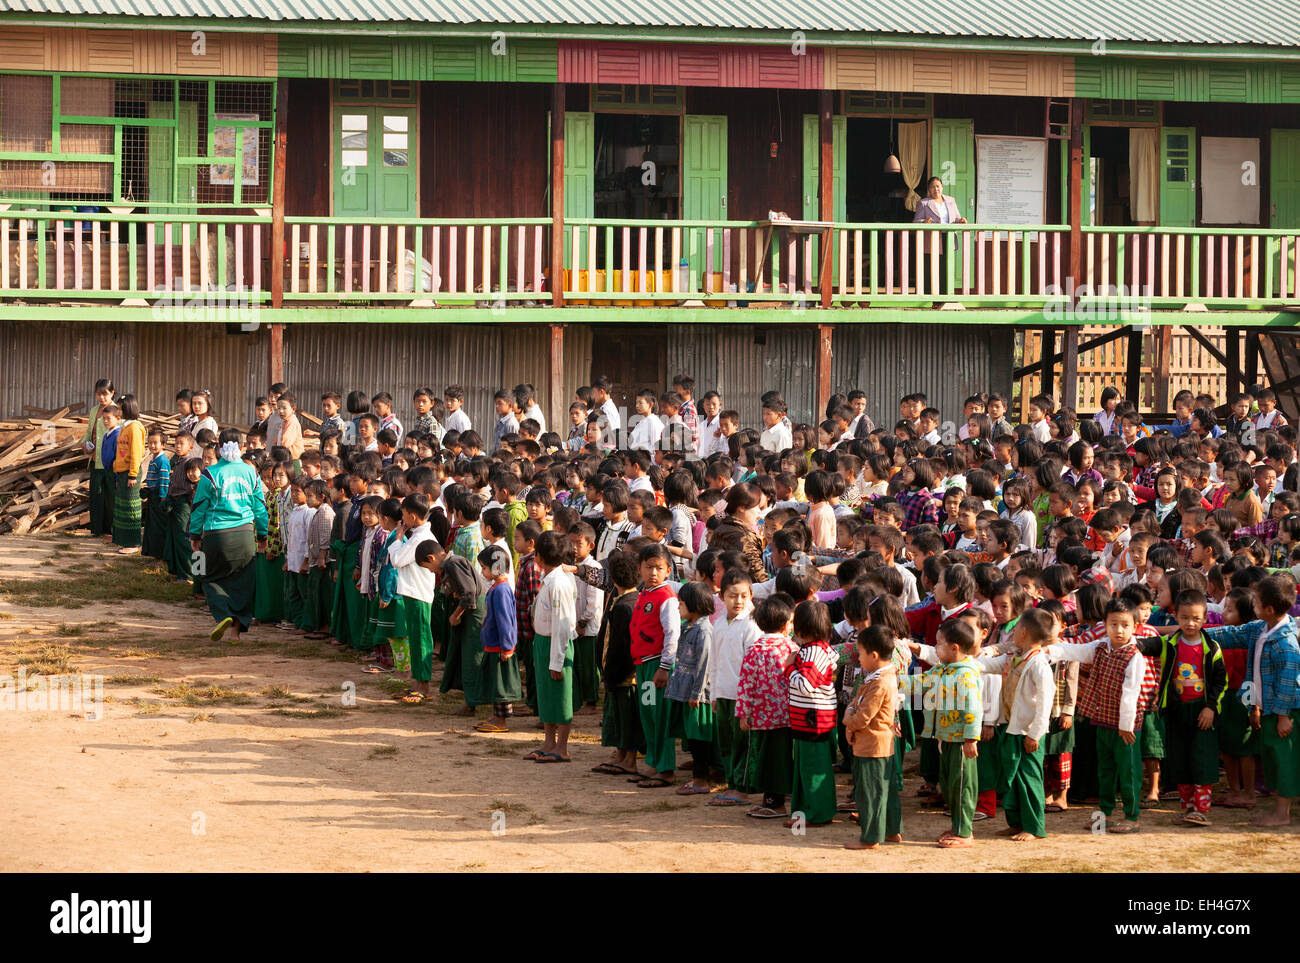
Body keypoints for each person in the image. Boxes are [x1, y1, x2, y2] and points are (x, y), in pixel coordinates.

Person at [1203, 574, 1300, 827]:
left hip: (1284, 713)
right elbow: (1231, 634)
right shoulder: (1260, 628)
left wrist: (1282, 716)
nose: (1252, 605)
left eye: (1256, 601)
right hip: (1267, 710)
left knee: (1284, 761)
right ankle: (1279, 809)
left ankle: (1282, 813)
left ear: (1268, 609)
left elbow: (1288, 684)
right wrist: (1196, 633)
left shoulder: (1286, 643)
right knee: (1271, 758)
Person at [1045, 597, 1148, 834]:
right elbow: (1076, 650)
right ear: (1105, 624)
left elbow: (1131, 694)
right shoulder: (1100, 646)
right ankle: (1105, 814)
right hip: (1103, 721)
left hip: (1126, 727)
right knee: (1105, 770)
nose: (1118, 630)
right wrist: (1051, 649)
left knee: (1128, 771)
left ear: (1135, 627)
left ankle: (1132, 816)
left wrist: (1126, 725)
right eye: (1113, 624)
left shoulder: (1134, 655)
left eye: (1125, 625)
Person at [189, 429, 269, 643]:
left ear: (218, 448)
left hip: (217, 536)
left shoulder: (210, 473)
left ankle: (223, 614)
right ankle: (235, 632)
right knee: (243, 582)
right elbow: (260, 507)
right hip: (244, 534)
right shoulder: (251, 472)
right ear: (242, 447)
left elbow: (198, 508)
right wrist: (262, 535)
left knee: (210, 578)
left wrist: (195, 534)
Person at [735, 594, 800, 819]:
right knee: (780, 759)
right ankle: (774, 801)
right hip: (788, 716)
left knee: (766, 759)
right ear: (784, 625)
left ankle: (774, 803)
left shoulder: (755, 650)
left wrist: (743, 714)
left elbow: (745, 684)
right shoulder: (791, 648)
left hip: (762, 718)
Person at [628, 543, 680, 787]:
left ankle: (666, 769)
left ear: (668, 570)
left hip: (657, 666)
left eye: (659, 568)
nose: (653, 573)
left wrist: (665, 667)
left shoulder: (666, 598)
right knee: (648, 713)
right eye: (648, 568)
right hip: (644, 665)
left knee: (660, 717)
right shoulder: (645, 593)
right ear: (640, 568)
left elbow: (672, 634)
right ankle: (653, 763)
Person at [842, 625, 898, 850]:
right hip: (876, 744)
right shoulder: (877, 677)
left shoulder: (880, 682)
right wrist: (852, 710)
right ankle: (891, 831)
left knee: (871, 793)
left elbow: (861, 717)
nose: (859, 658)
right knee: (885, 792)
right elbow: (858, 704)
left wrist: (847, 717)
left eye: (860, 653)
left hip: (873, 745)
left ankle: (871, 837)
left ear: (873, 655)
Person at [786, 599, 839, 827]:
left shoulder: (813, 653)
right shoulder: (819, 650)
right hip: (813, 720)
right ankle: (805, 811)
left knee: (812, 769)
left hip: (812, 721)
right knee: (808, 767)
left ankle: (816, 813)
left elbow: (806, 684)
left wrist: (788, 667)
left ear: (800, 629)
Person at [526, 530, 578, 763]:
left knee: (560, 695)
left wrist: (557, 660)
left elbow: (562, 625)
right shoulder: (550, 579)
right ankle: (549, 741)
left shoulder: (559, 583)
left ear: (539, 557)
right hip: (543, 641)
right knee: (546, 694)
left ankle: (562, 746)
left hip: (556, 643)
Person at [665, 580, 717, 797]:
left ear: (694, 605)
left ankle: (701, 779)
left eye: (682, 603)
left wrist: (696, 693)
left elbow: (704, 665)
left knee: (699, 738)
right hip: (689, 692)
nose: (678, 607)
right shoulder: (691, 627)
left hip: (699, 696)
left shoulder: (704, 631)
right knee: (693, 736)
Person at [111, 394, 147, 554]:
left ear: (127, 408)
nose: (118, 411)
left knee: (131, 508)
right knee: (122, 507)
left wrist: (133, 475)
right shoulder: (125, 426)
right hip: (122, 471)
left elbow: (136, 453)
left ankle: (133, 543)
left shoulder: (135, 427)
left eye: (120, 408)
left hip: (130, 473)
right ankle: (124, 540)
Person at [81, 378, 116, 538]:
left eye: (105, 394)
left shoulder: (116, 411)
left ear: (112, 393)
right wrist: (84, 444)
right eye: (98, 394)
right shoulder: (94, 410)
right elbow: (89, 432)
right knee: (96, 496)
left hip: (110, 462)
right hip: (95, 459)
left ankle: (110, 531)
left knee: (110, 498)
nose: (101, 397)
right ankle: (96, 530)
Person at [140, 427, 171, 560]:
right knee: (151, 526)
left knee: (158, 528)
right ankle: (153, 554)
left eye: (155, 443)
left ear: (163, 445)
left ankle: (160, 556)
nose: (152, 445)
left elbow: (164, 480)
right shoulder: (154, 458)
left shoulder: (162, 460)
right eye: (150, 442)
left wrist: (162, 497)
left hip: (159, 497)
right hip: (153, 495)